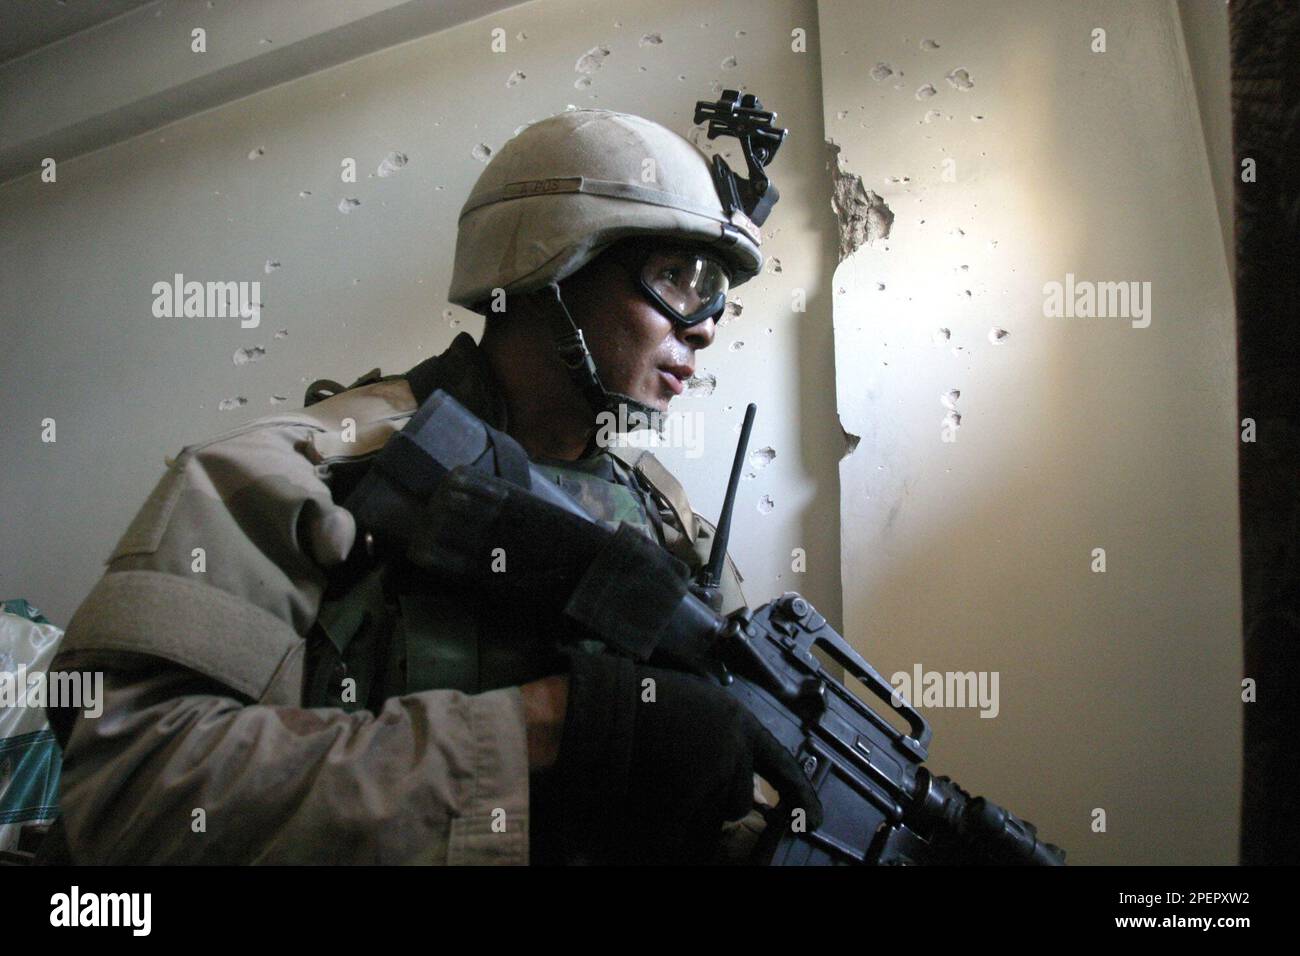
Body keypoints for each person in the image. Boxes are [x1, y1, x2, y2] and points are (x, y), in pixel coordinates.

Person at [43, 102, 819, 865]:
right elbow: (131, 790)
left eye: (718, 291)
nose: (708, 324)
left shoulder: (671, 529)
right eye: (677, 277)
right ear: (549, 268)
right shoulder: (301, 473)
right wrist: (549, 730)